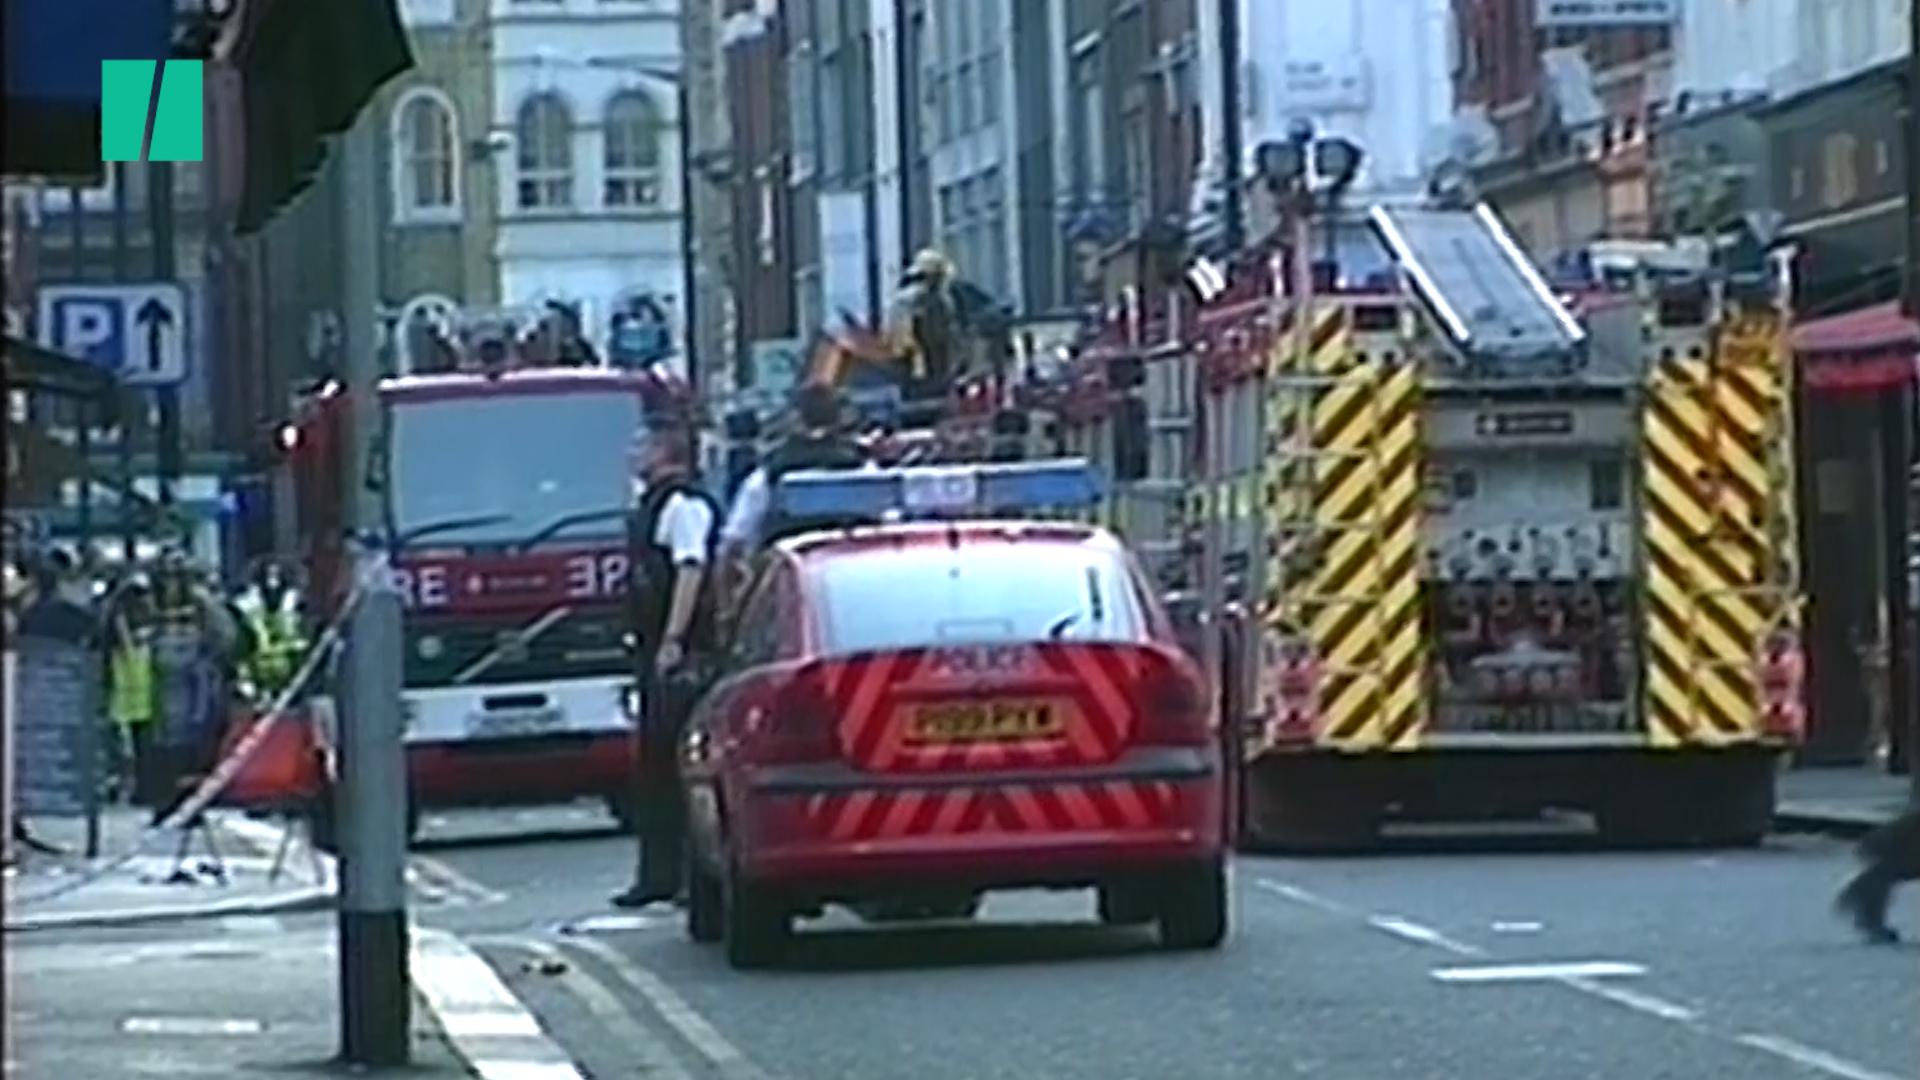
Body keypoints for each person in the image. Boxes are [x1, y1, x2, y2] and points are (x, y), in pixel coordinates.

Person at [613, 423, 721, 910]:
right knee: (654, 765)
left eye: (641, 445)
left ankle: (681, 877)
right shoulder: (652, 504)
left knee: (675, 764)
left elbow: (690, 569)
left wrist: (674, 639)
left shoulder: (684, 505)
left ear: (665, 452)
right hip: (653, 647)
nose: (633, 453)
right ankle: (658, 876)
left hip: (681, 654)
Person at [718, 382, 867, 565]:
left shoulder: (769, 474)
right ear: (839, 419)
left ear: (795, 418)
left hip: (785, 571)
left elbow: (735, 539)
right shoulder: (863, 471)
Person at [1835, 797, 1920, 944]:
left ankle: (1869, 918)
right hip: (1893, 845)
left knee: (1887, 870)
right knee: (1887, 870)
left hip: (1893, 845)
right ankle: (1870, 919)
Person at [234, 560, 308, 703]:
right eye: (268, 577)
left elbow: (303, 644)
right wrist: (245, 681)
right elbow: (241, 653)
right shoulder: (247, 611)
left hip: (292, 683)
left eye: (276, 577)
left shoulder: (295, 608)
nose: (272, 583)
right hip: (256, 680)